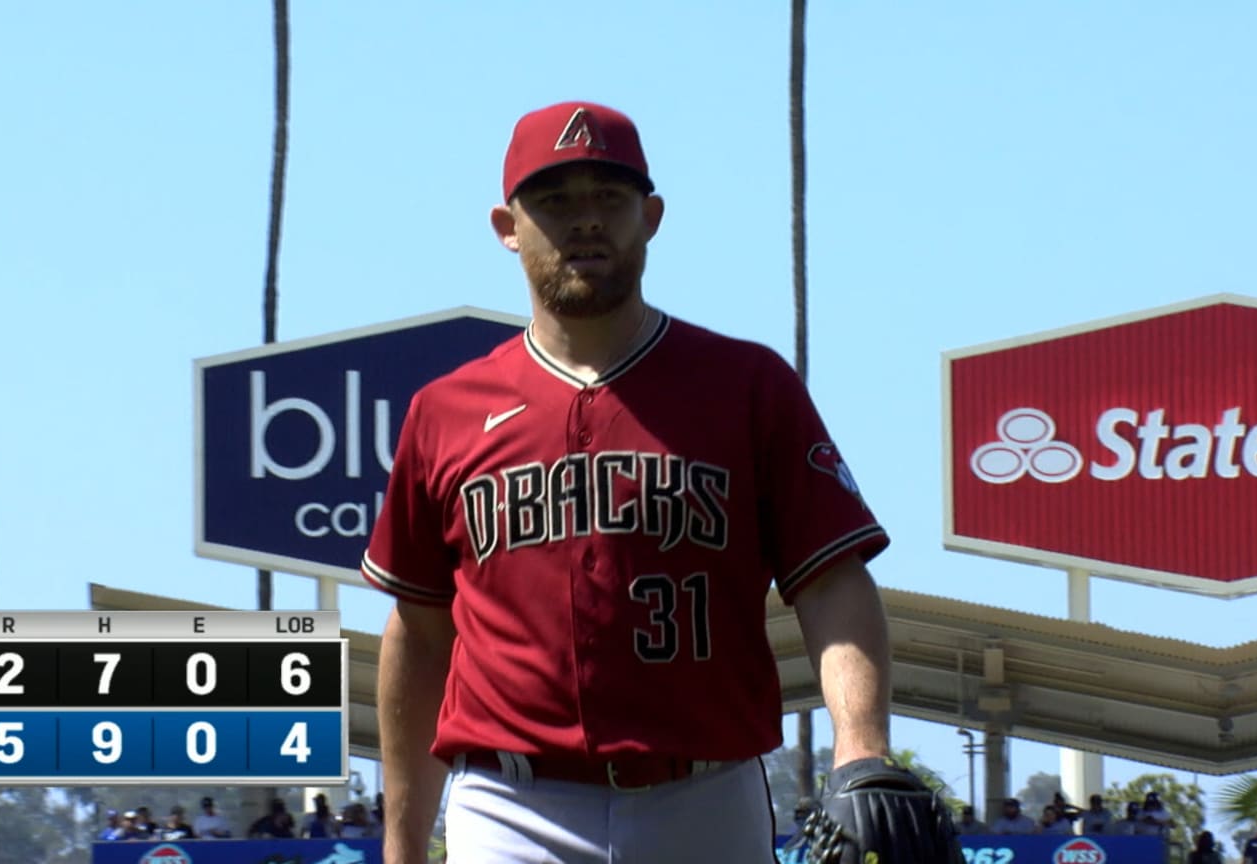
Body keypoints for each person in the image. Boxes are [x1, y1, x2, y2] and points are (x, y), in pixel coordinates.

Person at [362, 100, 928, 864]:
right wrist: (401, 845)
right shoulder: (445, 412)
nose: (584, 220)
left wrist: (861, 749)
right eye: (555, 200)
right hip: (511, 804)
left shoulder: (746, 385)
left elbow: (832, 582)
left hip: (705, 795)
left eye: (609, 197)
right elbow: (422, 635)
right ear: (507, 226)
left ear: (652, 216)